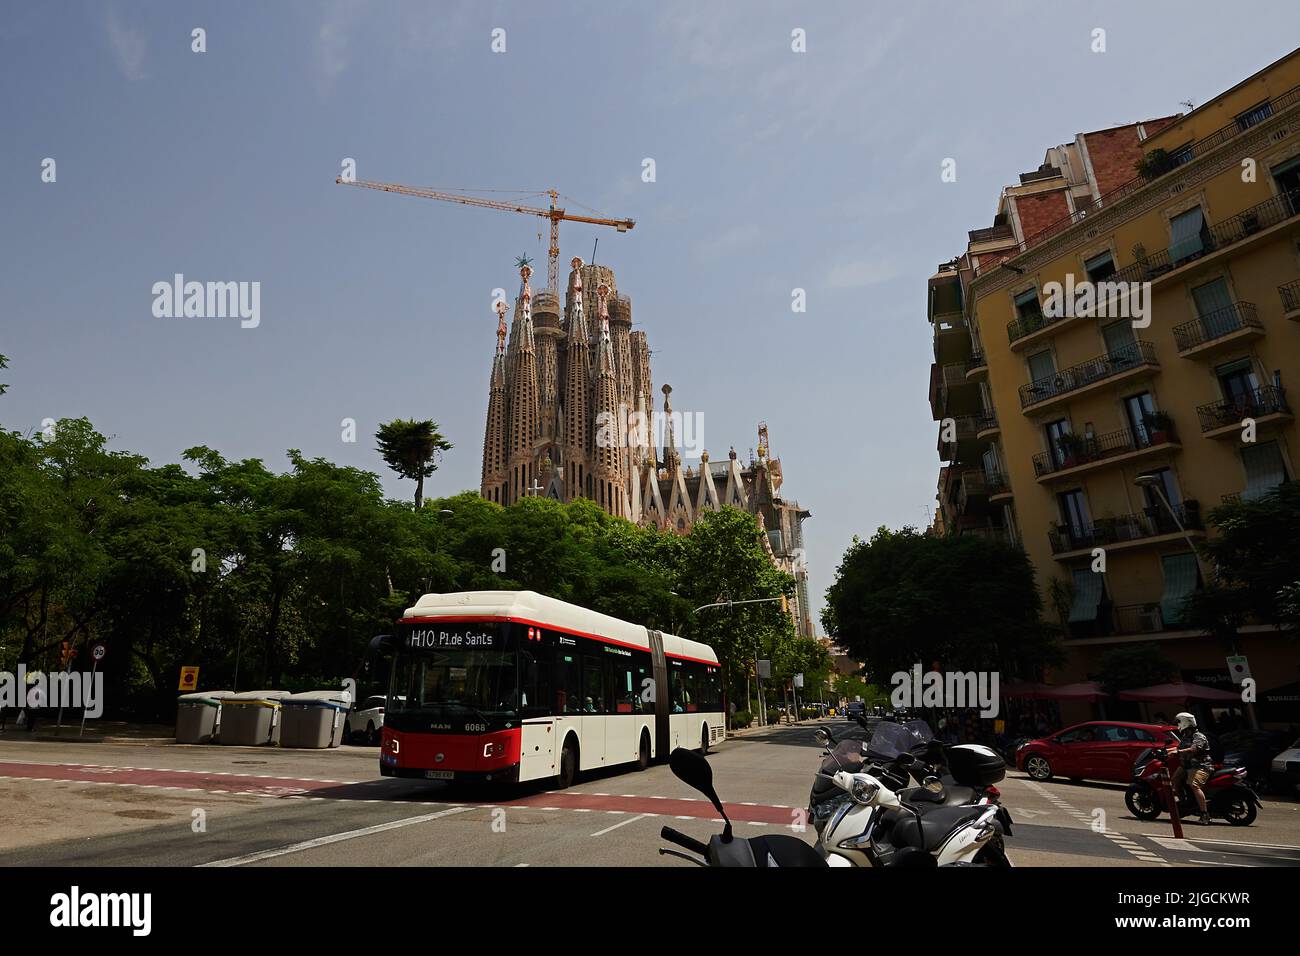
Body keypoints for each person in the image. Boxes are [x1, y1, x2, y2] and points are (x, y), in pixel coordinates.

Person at [1170, 712, 1212, 824]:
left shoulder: (1199, 736)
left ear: (1185, 722)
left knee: (1194, 785)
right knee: (1174, 780)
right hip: (1186, 766)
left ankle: (1205, 814)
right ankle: (1185, 804)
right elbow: (1178, 748)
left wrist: (1178, 752)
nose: (1178, 724)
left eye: (1179, 722)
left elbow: (1194, 749)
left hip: (1201, 766)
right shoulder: (1185, 736)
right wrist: (1165, 751)